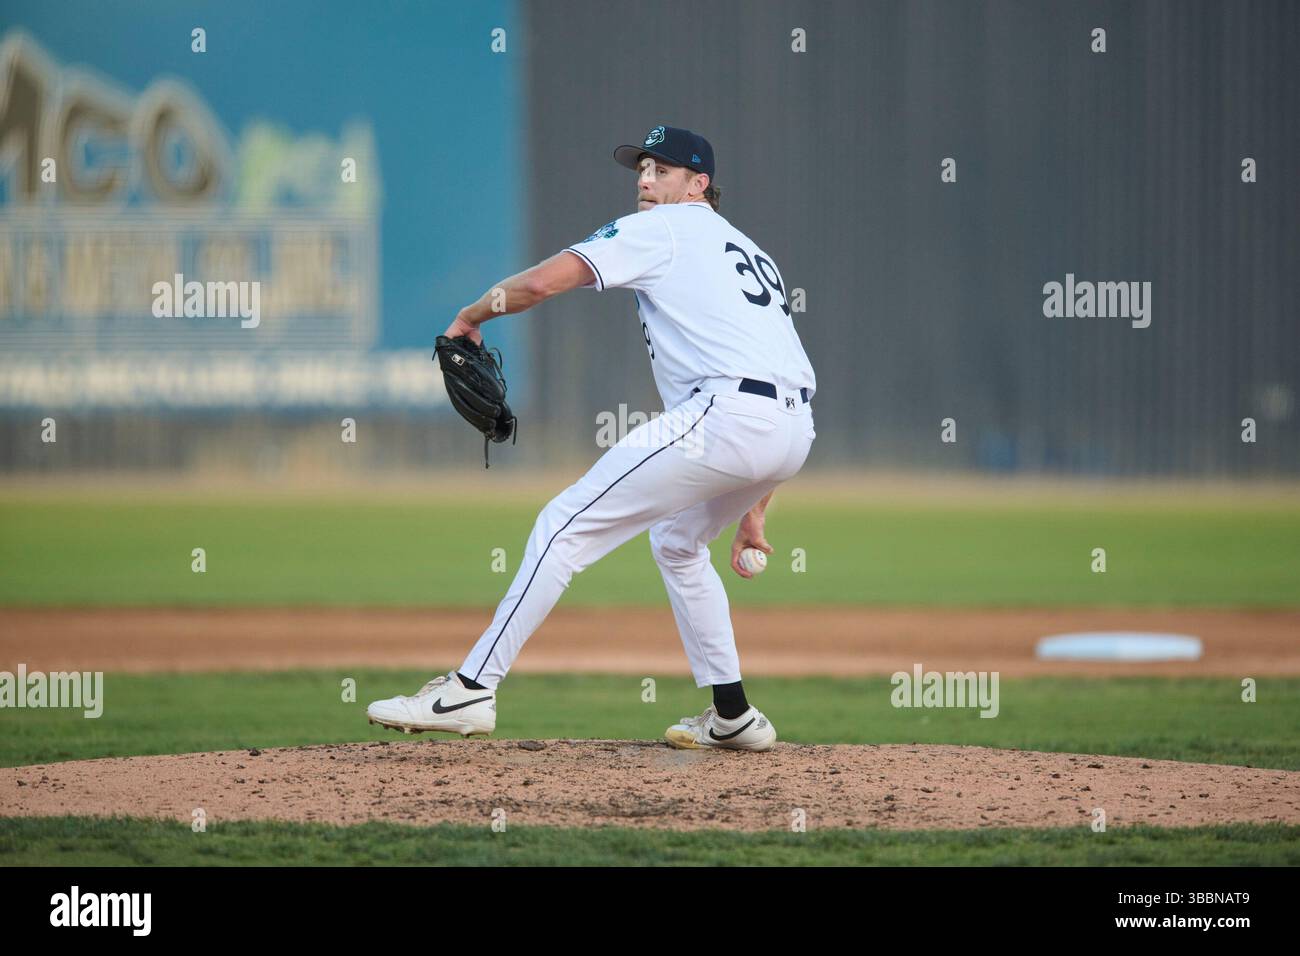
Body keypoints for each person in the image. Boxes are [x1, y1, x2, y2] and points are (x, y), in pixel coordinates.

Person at [367, 125, 816, 751]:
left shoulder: (663, 228)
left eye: (661, 169)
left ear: (699, 184)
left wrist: (471, 316)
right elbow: (778, 376)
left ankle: (470, 689)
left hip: (727, 416)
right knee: (679, 543)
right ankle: (733, 715)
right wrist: (753, 503)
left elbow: (545, 281)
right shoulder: (749, 250)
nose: (645, 179)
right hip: (791, 431)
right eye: (641, 168)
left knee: (563, 523)